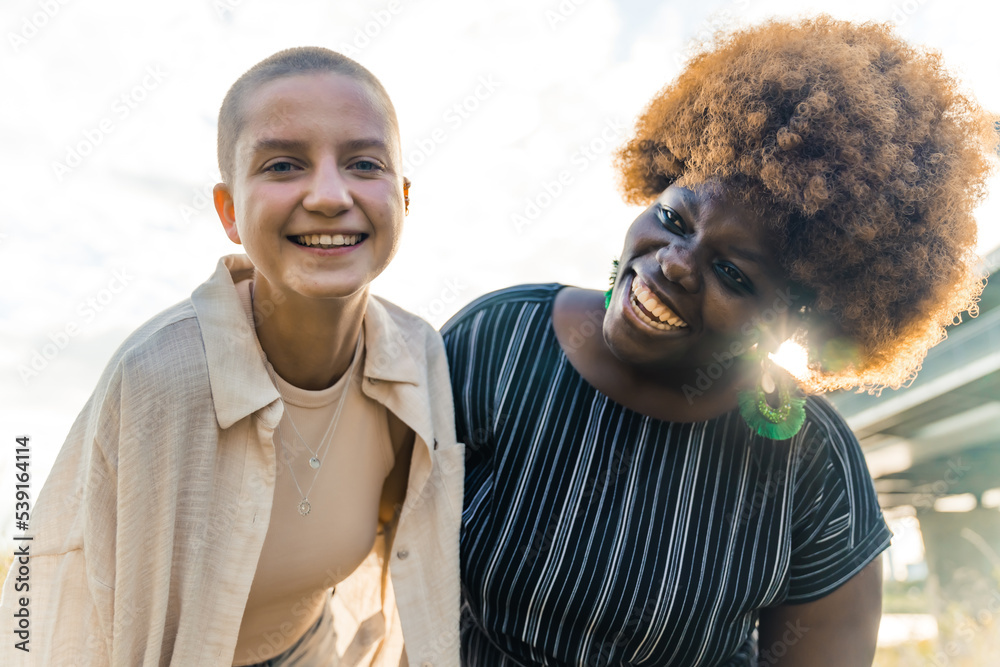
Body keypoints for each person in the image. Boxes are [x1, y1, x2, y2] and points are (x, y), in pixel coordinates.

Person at [443, 17, 994, 667]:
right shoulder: (498, 342)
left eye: (733, 272)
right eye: (673, 219)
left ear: (795, 320)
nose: (674, 262)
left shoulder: (810, 464)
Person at [0, 48, 463, 666]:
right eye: (282, 164)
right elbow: (73, 596)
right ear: (228, 212)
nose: (329, 195)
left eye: (363, 163)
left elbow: (411, 547)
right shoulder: (162, 377)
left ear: (403, 199)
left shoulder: (415, 359)